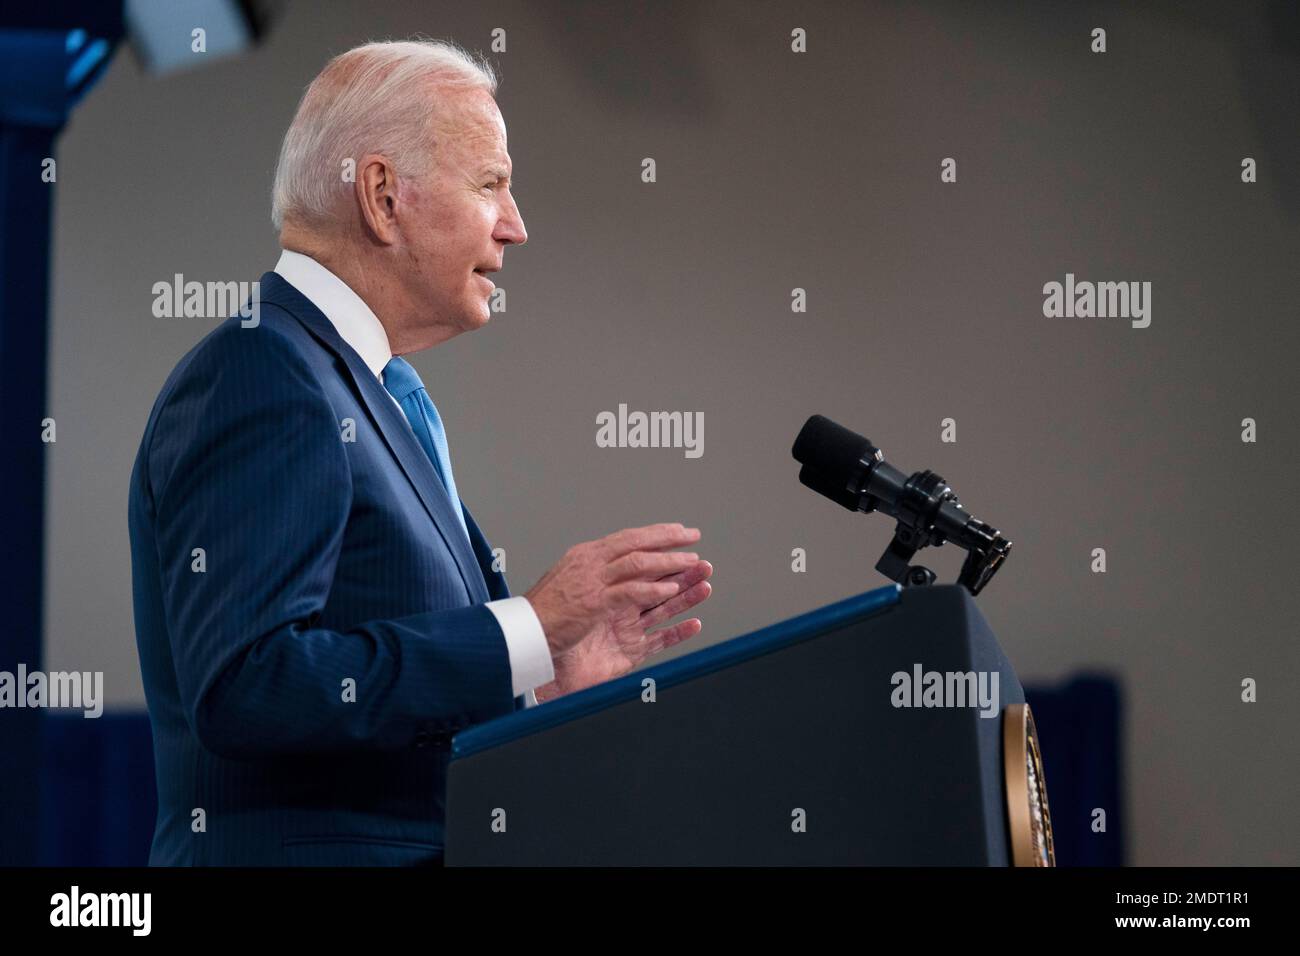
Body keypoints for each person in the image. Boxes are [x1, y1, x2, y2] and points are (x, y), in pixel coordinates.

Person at [127, 39, 713, 866]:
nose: (516, 225)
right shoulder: (264, 372)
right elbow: (246, 688)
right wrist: (527, 626)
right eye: (490, 184)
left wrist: (535, 682)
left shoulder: (371, 391)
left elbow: (369, 707)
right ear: (382, 197)